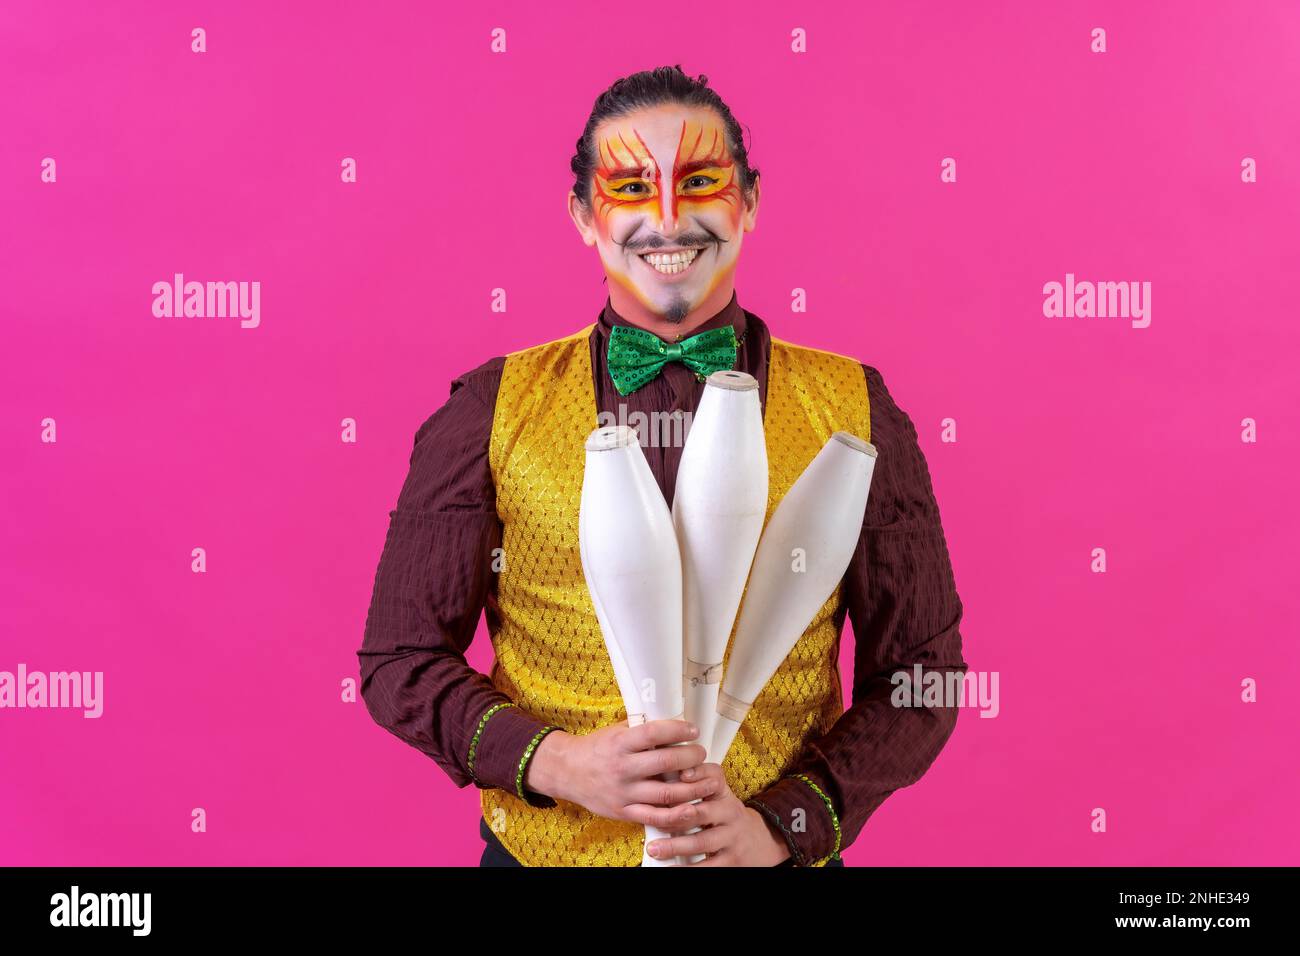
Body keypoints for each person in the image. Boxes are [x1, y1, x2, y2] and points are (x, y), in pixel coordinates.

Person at [357, 65, 967, 867]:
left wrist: (781, 827)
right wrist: (554, 762)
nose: (669, 221)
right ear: (582, 216)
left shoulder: (857, 408)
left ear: (750, 201)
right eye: (631, 188)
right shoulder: (488, 408)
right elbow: (398, 660)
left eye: (702, 181)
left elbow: (924, 677)